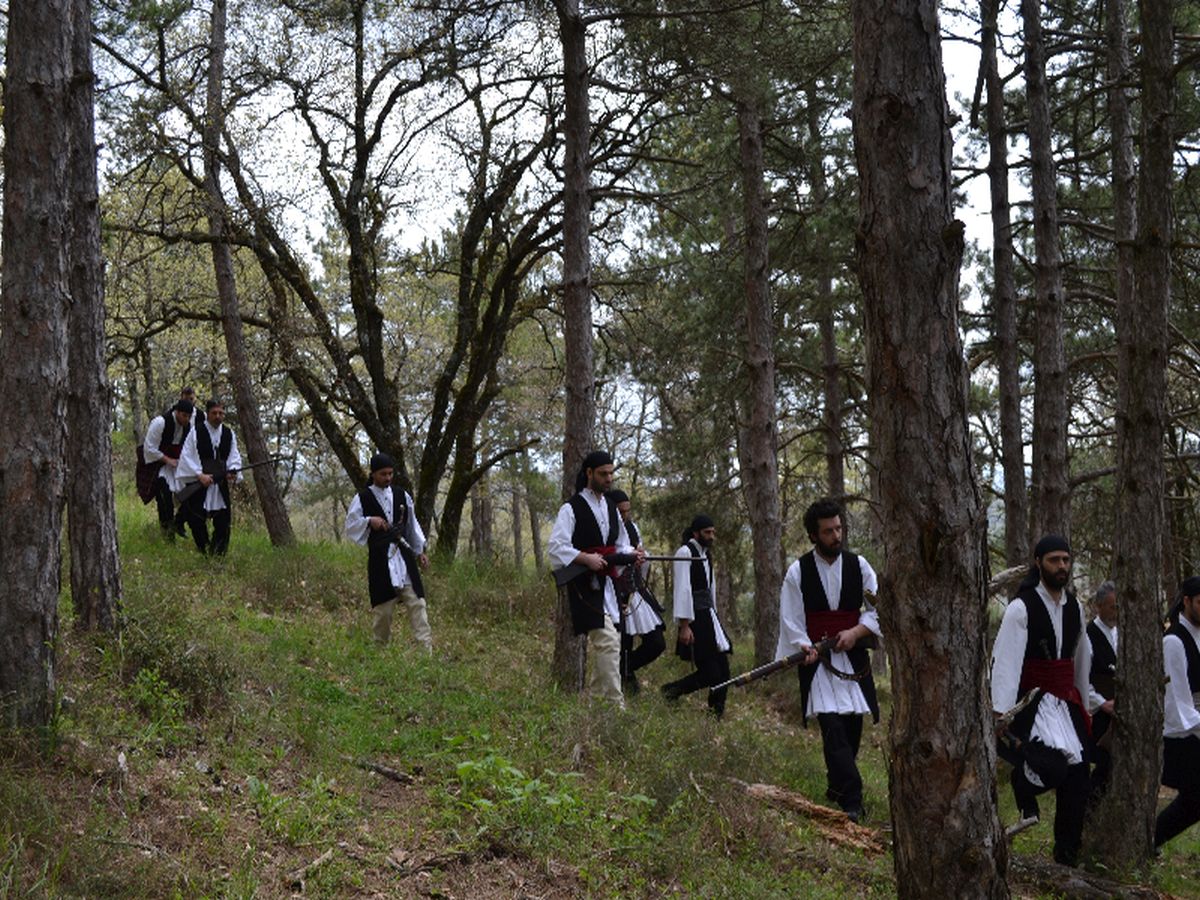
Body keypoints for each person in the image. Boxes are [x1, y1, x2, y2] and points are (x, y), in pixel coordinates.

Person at [776, 498, 881, 822]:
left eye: (838, 528)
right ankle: (853, 801)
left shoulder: (859, 566)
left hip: (853, 659)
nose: (836, 536)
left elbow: (880, 609)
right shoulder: (798, 571)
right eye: (828, 531)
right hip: (819, 663)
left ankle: (836, 789)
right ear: (813, 535)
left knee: (851, 730)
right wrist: (804, 646)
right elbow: (791, 619)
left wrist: (857, 630)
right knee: (833, 728)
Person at [991, 535, 1091, 867]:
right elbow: (1006, 661)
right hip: (1030, 704)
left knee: (1078, 780)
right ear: (1038, 563)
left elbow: (1080, 657)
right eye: (1054, 560)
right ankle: (1022, 785)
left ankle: (1066, 855)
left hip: (1065, 701)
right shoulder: (1022, 607)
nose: (1062, 566)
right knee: (1053, 768)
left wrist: (1081, 700)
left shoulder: (1075, 606)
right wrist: (1000, 714)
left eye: (1065, 560)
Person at [548, 451, 640, 707]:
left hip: (607, 587)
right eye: (603, 473)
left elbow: (620, 546)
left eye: (611, 473)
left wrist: (633, 555)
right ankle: (615, 705)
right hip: (584, 586)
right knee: (608, 642)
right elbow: (556, 547)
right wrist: (586, 559)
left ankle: (596, 704)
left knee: (612, 643)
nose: (608, 478)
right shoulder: (571, 508)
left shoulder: (611, 507)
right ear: (589, 473)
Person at [344, 453, 433, 651]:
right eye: (383, 474)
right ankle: (379, 651)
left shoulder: (402, 495)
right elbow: (350, 526)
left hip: (404, 558)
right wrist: (369, 521)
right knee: (383, 611)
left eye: (390, 473)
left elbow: (412, 525)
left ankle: (426, 652)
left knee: (418, 604)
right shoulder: (362, 498)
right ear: (373, 474)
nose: (388, 478)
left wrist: (420, 552)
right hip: (380, 561)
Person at [661, 515, 732, 718]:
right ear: (696, 533)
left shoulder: (705, 554)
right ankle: (670, 691)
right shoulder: (685, 552)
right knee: (711, 673)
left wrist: (715, 617)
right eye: (707, 532)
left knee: (724, 674)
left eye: (713, 532)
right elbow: (683, 589)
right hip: (695, 619)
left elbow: (711, 589)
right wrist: (685, 625)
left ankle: (715, 718)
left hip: (709, 617)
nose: (711, 536)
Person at [1156, 576, 1200, 848]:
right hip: (1177, 735)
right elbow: (1178, 705)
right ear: (1186, 601)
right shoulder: (1173, 641)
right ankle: (1152, 838)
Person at [608, 489, 666, 695]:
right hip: (615, 591)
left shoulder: (633, 528)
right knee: (623, 643)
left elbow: (640, 558)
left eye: (627, 511)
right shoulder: (605, 529)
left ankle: (625, 670)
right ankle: (623, 681)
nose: (624, 516)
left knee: (657, 642)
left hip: (635, 589)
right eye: (620, 511)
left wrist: (641, 557)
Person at [177, 399, 242, 555]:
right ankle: (203, 550)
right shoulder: (196, 431)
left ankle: (218, 554)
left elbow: (234, 456)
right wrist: (199, 475)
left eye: (221, 413)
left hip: (220, 484)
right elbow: (187, 455)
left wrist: (233, 471)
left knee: (223, 521)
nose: (218, 416)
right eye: (214, 413)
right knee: (196, 518)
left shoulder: (228, 433)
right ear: (207, 414)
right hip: (202, 481)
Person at [141, 399, 194, 537]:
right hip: (158, 466)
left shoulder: (188, 427)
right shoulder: (160, 423)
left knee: (193, 492)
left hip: (177, 466)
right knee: (164, 500)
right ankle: (167, 534)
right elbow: (149, 448)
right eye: (184, 415)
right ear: (177, 412)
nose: (186, 419)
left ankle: (178, 522)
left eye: (189, 416)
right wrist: (167, 460)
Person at [1085, 580, 1117, 801]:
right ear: (1099, 606)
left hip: (1121, 709)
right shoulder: (1088, 637)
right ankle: (1089, 807)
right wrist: (1101, 703)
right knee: (1105, 762)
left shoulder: (1121, 634)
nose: (1117, 612)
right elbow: (1081, 679)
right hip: (1100, 714)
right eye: (1112, 606)